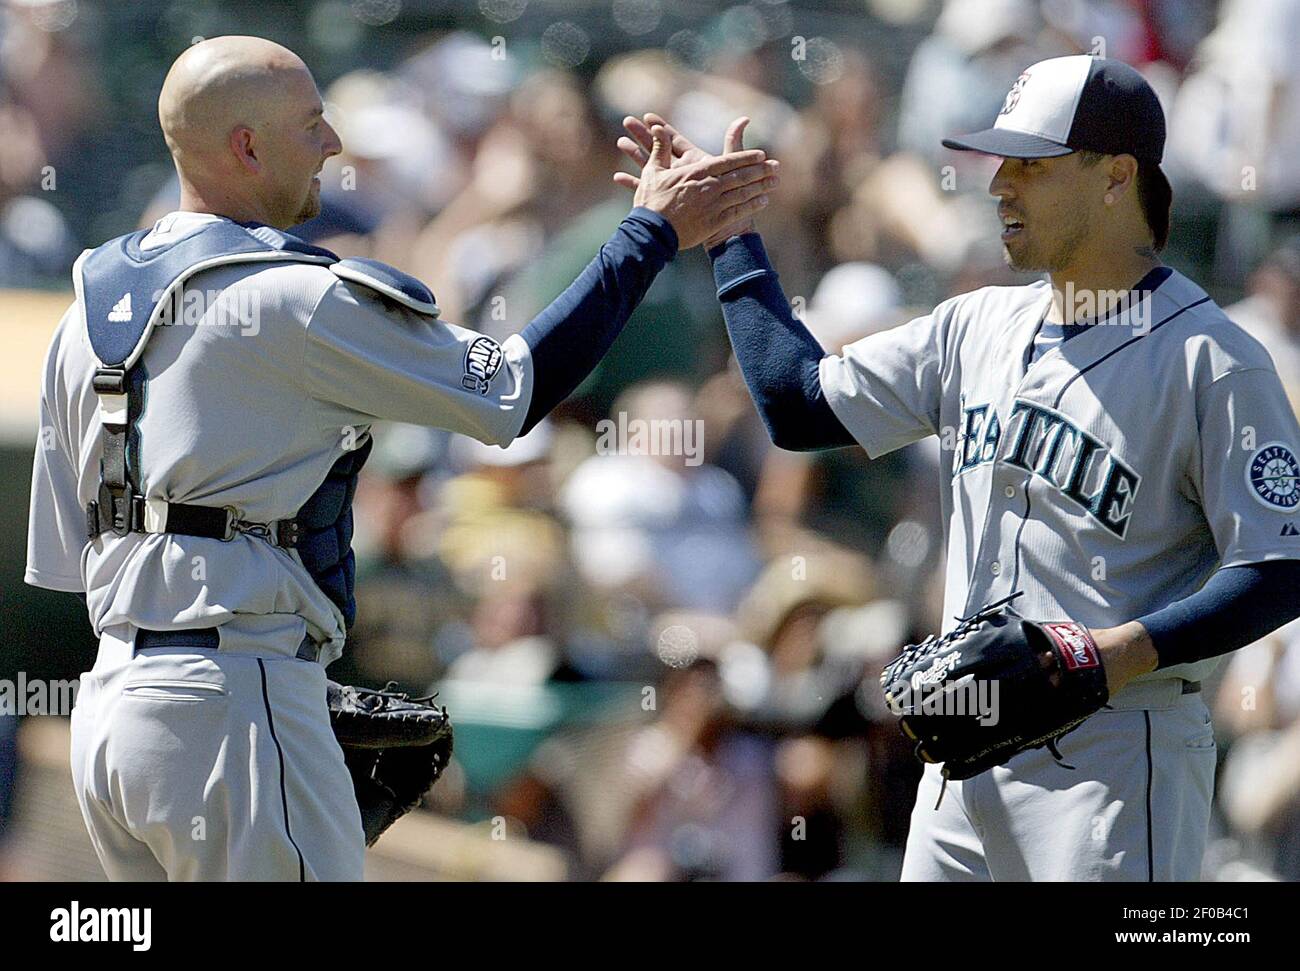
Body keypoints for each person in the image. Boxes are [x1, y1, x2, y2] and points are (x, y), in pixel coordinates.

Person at [24, 35, 778, 882]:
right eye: (312, 125)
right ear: (247, 146)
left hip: (111, 714)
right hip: (233, 702)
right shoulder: (291, 293)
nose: (333, 146)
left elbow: (67, 558)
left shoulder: (85, 300)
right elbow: (511, 392)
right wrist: (648, 232)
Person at [616, 55, 1300, 880]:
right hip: (962, 756)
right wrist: (729, 236)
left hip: (1117, 763)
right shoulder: (971, 326)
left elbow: (1280, 567)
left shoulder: (1214, 361)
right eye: (997, 161)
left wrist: (1096, 656)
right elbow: (796, 404)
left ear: (1117, 176)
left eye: (1030, 165)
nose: (998, 185)